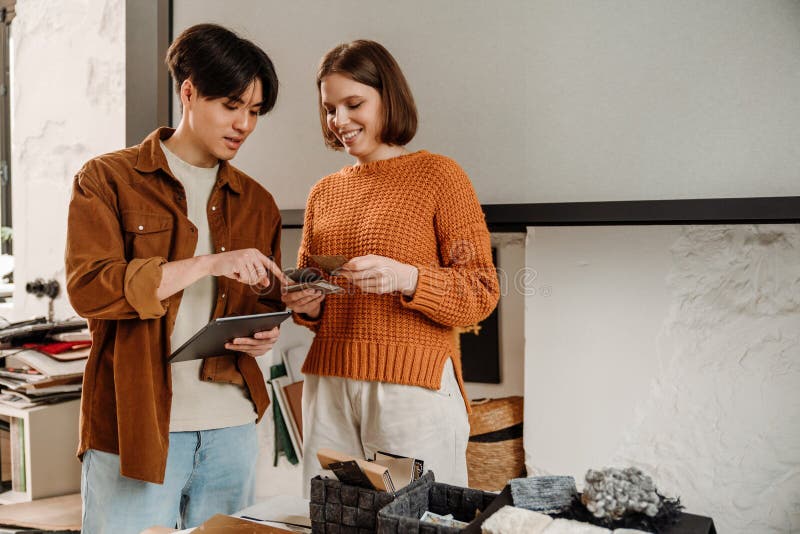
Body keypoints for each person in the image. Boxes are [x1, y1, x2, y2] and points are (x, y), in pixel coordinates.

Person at [65, 24, 287, 533]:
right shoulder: (107, 179)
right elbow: (89, 289)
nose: (244, 124)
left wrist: (265, 332)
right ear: (189, 91)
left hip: (231, 426)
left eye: (254, 112)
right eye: (232, 105)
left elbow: (262, 300)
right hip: (137, 428)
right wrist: (207, 264)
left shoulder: (258, 201)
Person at [282, 40, 500, 490]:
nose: (339, 120)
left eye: (353, 103)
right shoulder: (323, 193)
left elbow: (481, 291)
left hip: (410, 389)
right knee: (330, 519)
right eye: (329, 109)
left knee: (416, 520)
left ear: (389, 98)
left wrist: (407, 277)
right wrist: (305, 304)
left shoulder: (440, 176)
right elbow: (318, 298)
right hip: (330, 385)